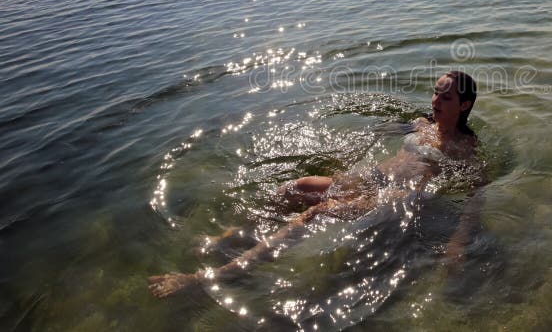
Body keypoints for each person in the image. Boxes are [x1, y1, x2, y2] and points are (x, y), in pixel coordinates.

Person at [148, 71, 485, 298]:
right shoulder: (420, 124)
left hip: (394, 196)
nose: (435, 101)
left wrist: (458, 239)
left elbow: (476, 195)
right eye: (435, 93)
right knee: (296, 186)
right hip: (372, 178)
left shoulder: (466, 147)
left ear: (464, 105)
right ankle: (232, 237)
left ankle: (218, 275)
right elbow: (382, 132)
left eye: (446, 98)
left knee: (316, 213)